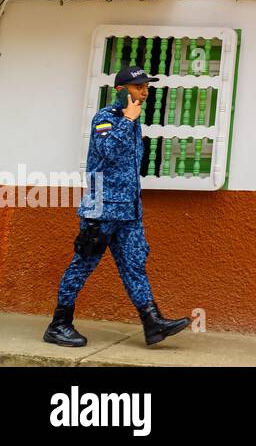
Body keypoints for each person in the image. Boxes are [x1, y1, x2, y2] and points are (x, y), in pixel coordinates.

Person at [43, 66, 191, 348]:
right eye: (139, 88)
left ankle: (152, 322)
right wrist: (126, 120)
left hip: (128, 212)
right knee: (83, 265)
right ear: (121, 91)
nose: (145, 93)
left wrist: (130, 121)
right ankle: (59, 324)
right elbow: (108, 153)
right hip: (102, 209)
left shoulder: (132, 121)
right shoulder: (106, 118)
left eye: (147, 88)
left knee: (135, 265)